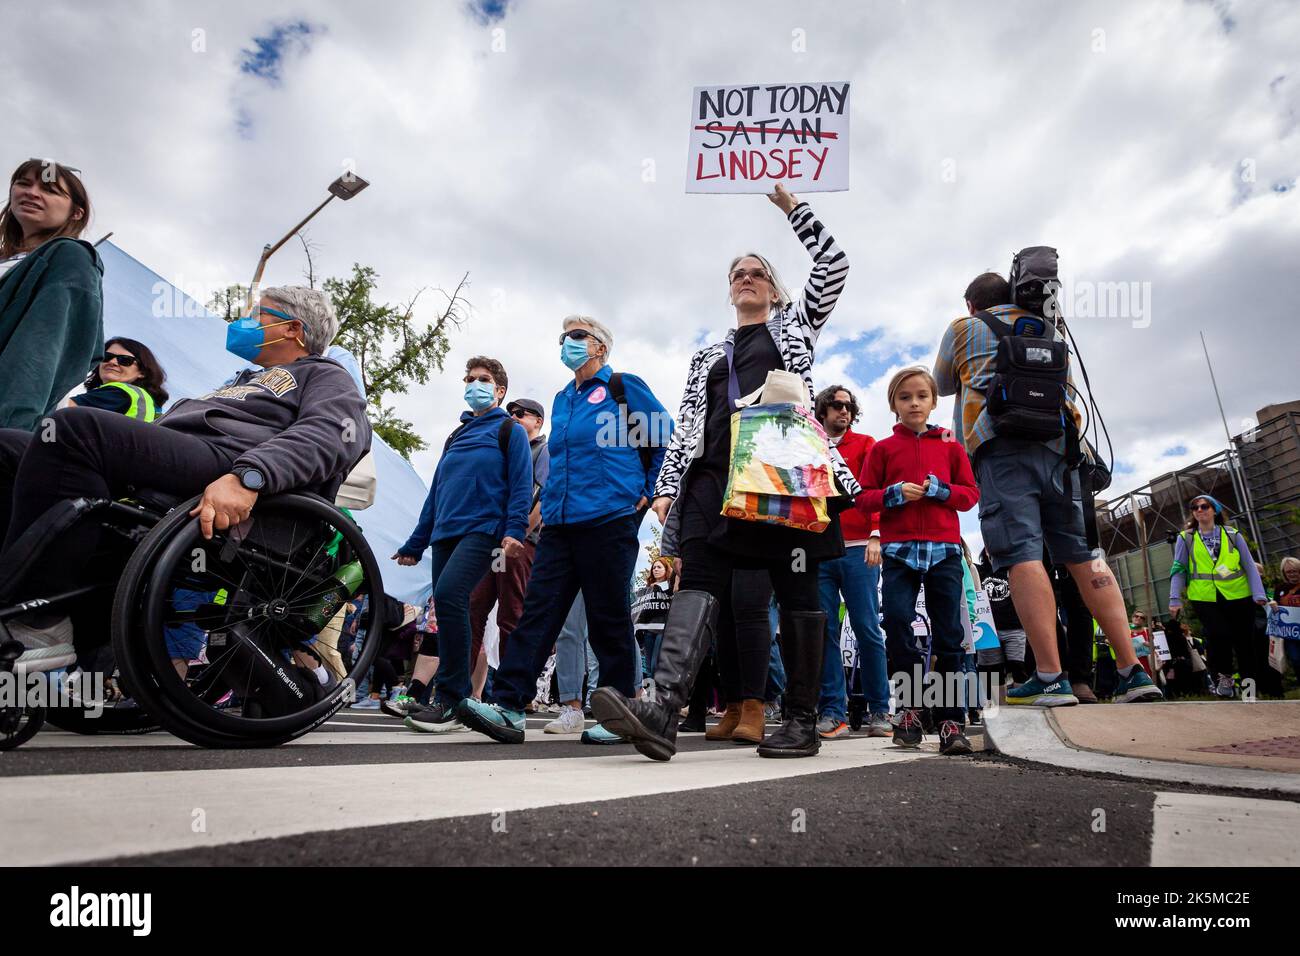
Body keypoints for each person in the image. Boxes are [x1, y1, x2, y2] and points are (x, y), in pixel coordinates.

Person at [591, 183, 857, 761]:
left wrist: (792, 210)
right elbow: (688, 421)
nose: (746, 276)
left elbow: (834, 263)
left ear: (774, 288)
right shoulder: (707, 354)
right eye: (738, 272)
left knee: (795, 588)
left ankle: (803, 718)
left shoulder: (797, 328)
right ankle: (661, 709)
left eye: (758, 271)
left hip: (783, 476)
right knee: (700, 583)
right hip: (713, 481)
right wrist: (667, 488)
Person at [0, 286, 371, 672]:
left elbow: (331, 434)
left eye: (258, 314)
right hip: (179, 458)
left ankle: (40, 620)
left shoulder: (326, 375)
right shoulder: (243, 380)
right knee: (8, 447)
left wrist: (251, 476)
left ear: (293, 328)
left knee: (72, 428)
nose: (243, 322)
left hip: (229, 462)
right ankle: (17, 591)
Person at [934, 270, 1162, 706]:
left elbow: (943, 384)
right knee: (1083, 555)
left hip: (1001, 452)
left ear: (971, 304)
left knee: (1022, 556)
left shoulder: (964, 328)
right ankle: (1132, 671)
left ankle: (1050, 677)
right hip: (1062, 451)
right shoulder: (1047, 327)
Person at [455, 315, 671, 743]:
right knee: (538, 613)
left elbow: (662, 437)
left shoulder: (622, 387)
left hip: (609, 517)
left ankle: (621, 710)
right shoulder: (561, 398)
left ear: (600, 348)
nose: (567, 343)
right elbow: (561, 461)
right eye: (563, 337)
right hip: (560, 522)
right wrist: (546, 507)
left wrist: (646, 493)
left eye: (577, 336)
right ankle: (509, 706)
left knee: (608, 616)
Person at [394, 356, 532, 732]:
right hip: (445, 535)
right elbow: (436, 493)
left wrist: (514, 529)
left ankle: (452, 698)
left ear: (499, 390)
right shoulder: (455, 437)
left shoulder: (509, 431)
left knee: (453, 595)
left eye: (483, 379)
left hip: (484, 531)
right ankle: (450, 699)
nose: (475, 384)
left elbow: (522, 484)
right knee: (448, 601)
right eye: (469, 378)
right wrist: (415, 543)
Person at [858, 367, 980, 756]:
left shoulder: (951, 446)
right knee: (896, 623)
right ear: (893, 404)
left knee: (948, 637)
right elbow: (863, 497)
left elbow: (970, 495)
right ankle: (909, 711)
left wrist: (941, 491)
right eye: (905, 397)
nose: (914, 403)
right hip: (898, 551)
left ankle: (949, 721)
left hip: (944, 550)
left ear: (933, 401)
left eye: (922, 396)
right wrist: (894, 494)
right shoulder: (882, 449)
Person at [0, 159, 103, 431]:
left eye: (50, 190)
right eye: (23, 183)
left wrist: (10, 432)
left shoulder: (72, 257)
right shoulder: (10, 262)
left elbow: (39, 354)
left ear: (76, 213)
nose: (31, 192)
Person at [812, 384, 890, 740]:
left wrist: (876, 533)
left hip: (860, 547)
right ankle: (833, 712)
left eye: (848, 407)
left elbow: (874, 489)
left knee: (867, 629)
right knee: (824, 632)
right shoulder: (811, 442)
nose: (844, 411)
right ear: (823, 409)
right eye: (837, 405)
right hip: (820, 548)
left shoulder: (866, 444)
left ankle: (880, 711)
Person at [464, 396, 551, 705]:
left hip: (518, 544)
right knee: (474, 608)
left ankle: (511, 693)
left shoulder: (542, 450)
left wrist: (518, 535)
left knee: (510, 614)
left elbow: (542, 499)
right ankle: (459, 691)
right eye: (509, 412)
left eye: (520, 413)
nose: (512, 417)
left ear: (537, 421)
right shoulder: (503, 449)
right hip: (489, 541)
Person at [1168, 494, 1268, 699]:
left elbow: (1249, 565)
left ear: (1215, 510)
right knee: (1218, 636)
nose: (1199, 510)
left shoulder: (1232, 534)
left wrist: (1259, 593)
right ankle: (1225, 678)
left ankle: (1250, 690)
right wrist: (1174, 598)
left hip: (1238, 594)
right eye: (1194, 507)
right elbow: (1178, 568)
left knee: (1245, 643)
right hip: (1204, 597)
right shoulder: (1186, 538)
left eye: (1204, 506)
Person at [66, 337, 169, 420]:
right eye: (107, 356)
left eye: (125, 360)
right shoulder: (150, 407)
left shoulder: (119, 393)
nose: (113, 362)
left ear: (142, 372)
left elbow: (60, 410)